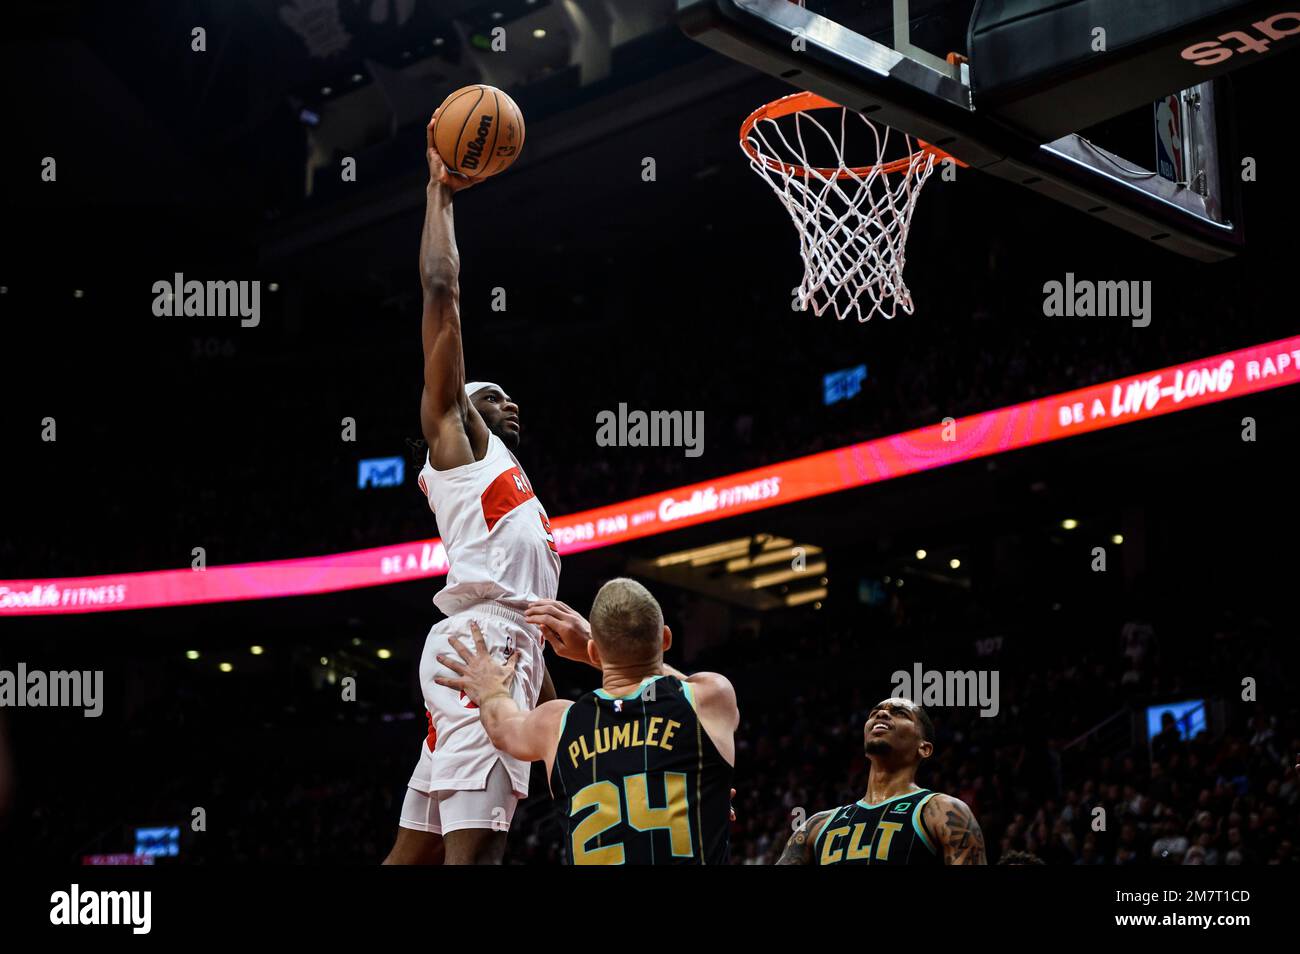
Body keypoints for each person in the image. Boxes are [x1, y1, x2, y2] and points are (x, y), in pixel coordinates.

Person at [383, 109, 561, 866]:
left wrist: (547, 720)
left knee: (413, 854)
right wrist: (441, 194)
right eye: (491, 395)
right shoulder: (456, 443)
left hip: (495, 652)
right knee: (475, 859)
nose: (507, 402)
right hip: (482, 651)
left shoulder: (515, 487)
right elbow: (440, 289)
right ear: (460, 405)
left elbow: (534, 622)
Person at [436, 578, 738, 864]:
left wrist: (489, 688)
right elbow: (677, 689)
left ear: (595, 651)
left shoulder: (557, 723)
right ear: (666, 639)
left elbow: (502, 727)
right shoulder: (712, 697)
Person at [776, 697, 987, 865]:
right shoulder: (815, 825)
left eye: (900, 713)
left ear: (924, 748)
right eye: (875, 713)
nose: (882, 714)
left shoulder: (944, 812)